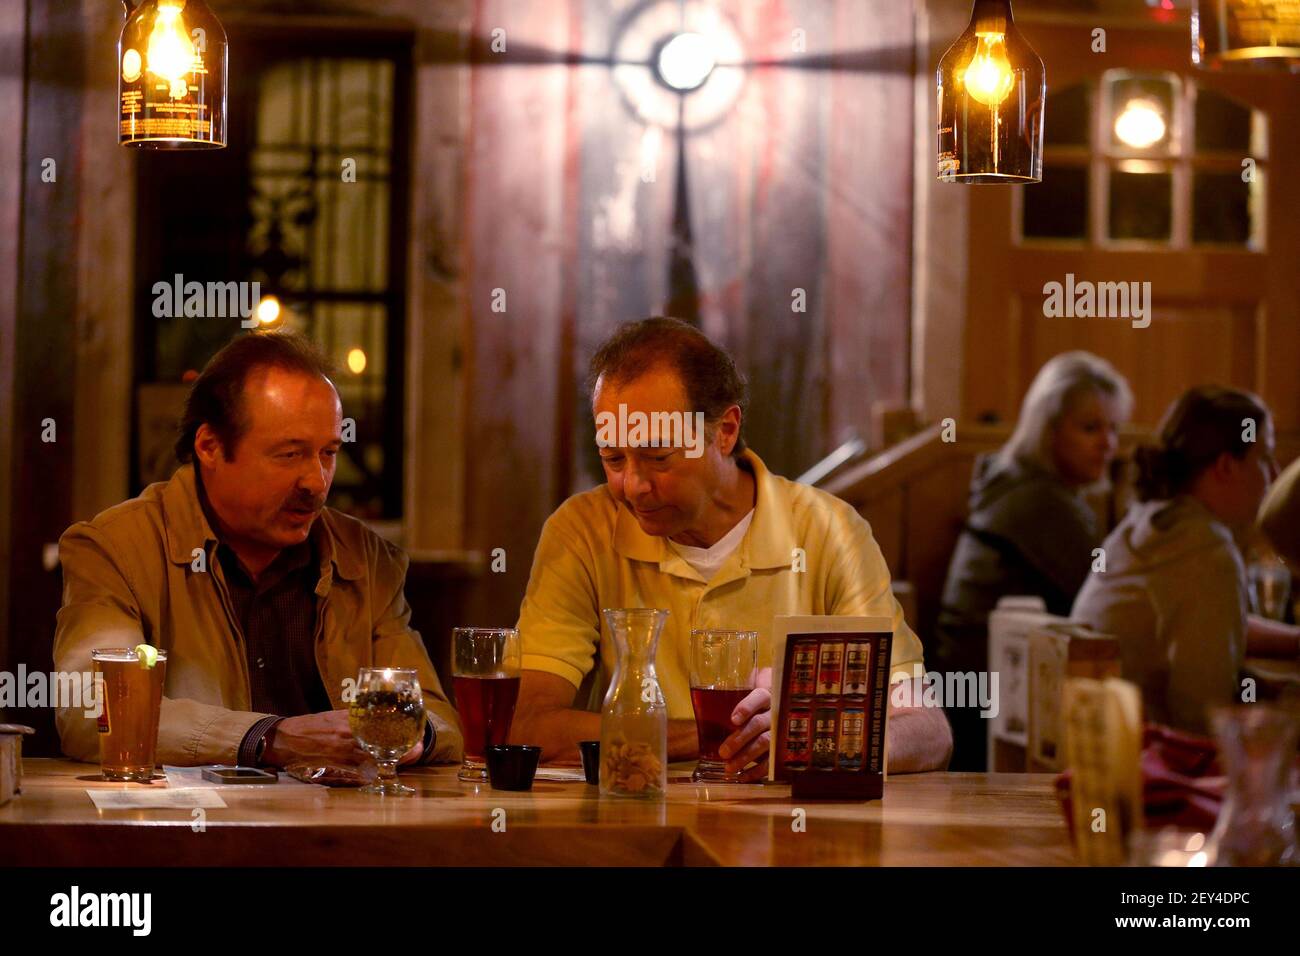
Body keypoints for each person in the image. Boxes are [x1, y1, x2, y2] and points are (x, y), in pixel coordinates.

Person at [509, 317, 952, 778]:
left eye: (658, 457)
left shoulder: (829, 531)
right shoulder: (582, 531)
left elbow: (927, 731)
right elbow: (529, 727)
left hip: (788, 838)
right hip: (637, 826)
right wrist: (727, 738)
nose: (633, 485)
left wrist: (807, 741)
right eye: (613, 458)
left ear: (725, 430)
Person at [53, 331, 463, 768]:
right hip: (196, 831)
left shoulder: (365, 559)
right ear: (210, 447)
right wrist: (270, 739)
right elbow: (95, 710)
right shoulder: (116, 548)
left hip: (342, 830)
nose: (316, 482)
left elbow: (441, 721)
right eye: (289, 455)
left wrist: (410, 738)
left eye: (328, 453)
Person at [935, 351, 1132, 769]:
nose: (1109, 444)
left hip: (972, 696)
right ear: (1049, 429)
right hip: (984, 717)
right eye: (1090, 427)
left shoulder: (1018, 483)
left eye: (1115, 429)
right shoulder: (1042, 502)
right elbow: (1114, 607)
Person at [1072, 386, 1300, 735]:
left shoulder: (1153, 521)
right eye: (1264, 458)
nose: (1273, 475)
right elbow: (1204, 714)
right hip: (1150, 763)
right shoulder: (1207, 553)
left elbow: (1219, 626)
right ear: (1225, 466)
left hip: (1101, 743)